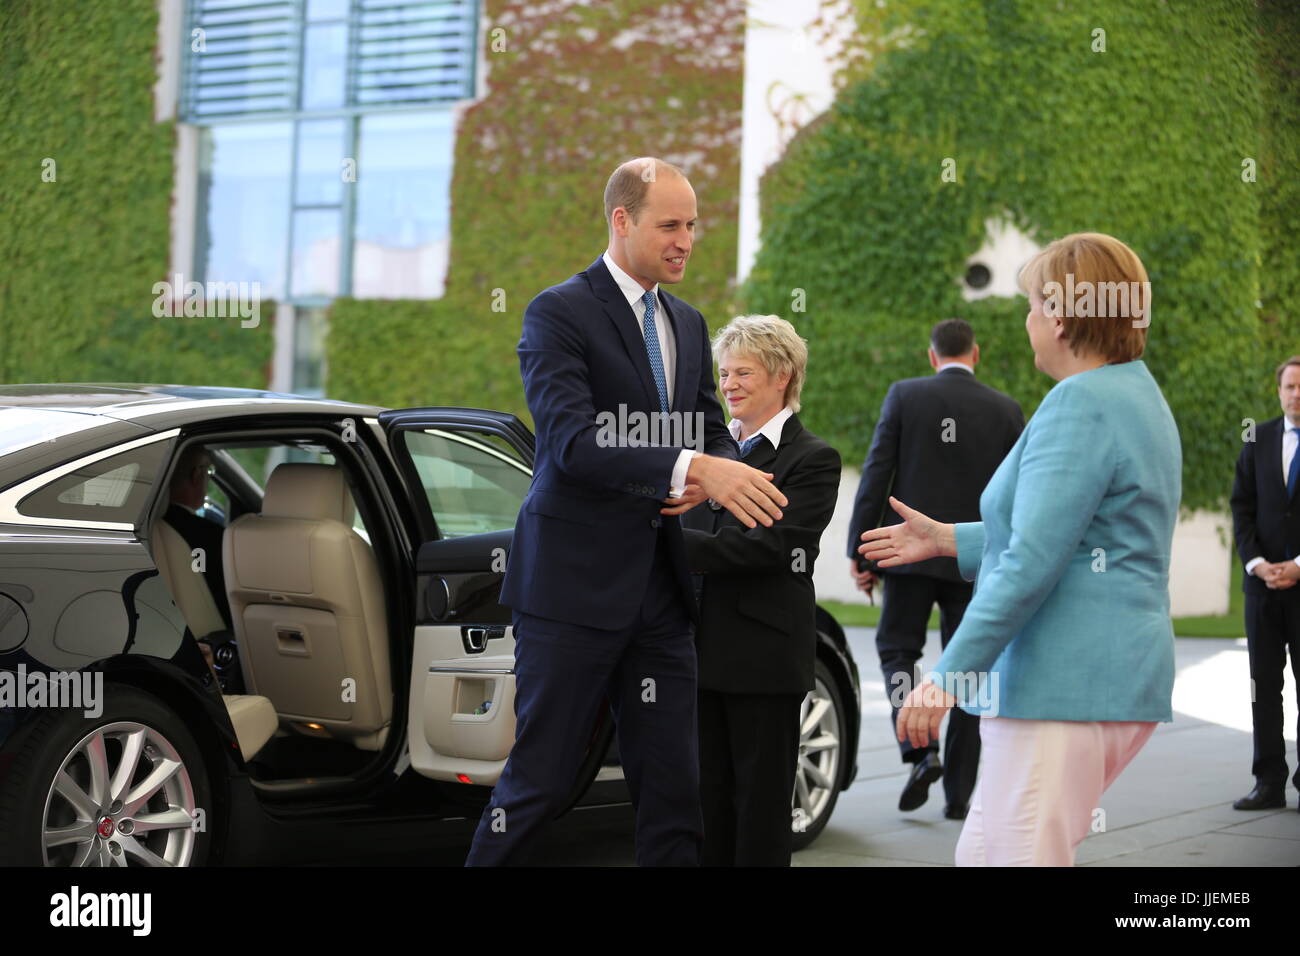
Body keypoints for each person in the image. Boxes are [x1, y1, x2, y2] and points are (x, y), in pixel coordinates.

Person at [465, 157, 788, 866]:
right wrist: (691, 467)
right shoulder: (557, 311)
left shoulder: (689, 323)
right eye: (670, 225)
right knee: (541, 783)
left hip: (663, 596)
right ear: (621, 220)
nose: (686, 241)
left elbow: (706, 428)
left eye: (692, 225)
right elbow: (573, 441)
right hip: (572, 592)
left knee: (675, 792)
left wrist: (711, 468)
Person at [860, 232, 1181, 866]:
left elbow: (1031, 564)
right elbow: (1079, 534)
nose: (1028, 321)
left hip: (1061, 687)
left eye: (1032, 306)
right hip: (1098, 682)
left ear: (1059, 318)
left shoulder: (1080, 404)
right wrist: (948, 539)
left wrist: (945, 678)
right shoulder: (1133, 393)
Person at [680, 315, 841, 865]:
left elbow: (770, 548)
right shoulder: (706, 455)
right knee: (705, 809)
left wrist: (666, 546)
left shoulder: (812, 459)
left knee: (760, 814)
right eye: (724, 374)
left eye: (743, 373)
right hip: (695, 656)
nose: (729, 385)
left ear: (783, 375)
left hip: (762, 662)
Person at [846, 318, 1023, 818]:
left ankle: (921, 752)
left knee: (897, 651)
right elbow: (1015, 494)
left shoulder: (905, 395)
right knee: (969, 665)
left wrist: (863, 550)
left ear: (931, 356)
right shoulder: (1007, 410)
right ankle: (959, 796)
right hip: (974, 557)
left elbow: (877, 472)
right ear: (976, 353)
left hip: (909, 553)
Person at [1228, 355, 1300, 812]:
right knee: (1264, 687)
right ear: (1279, 391)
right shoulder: (1257, 438)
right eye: (1290, 386)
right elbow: (1242, 507)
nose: (1297, 394)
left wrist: (1298, 566)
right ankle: (1268, 783)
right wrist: (1257, 564)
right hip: (1262, 589)